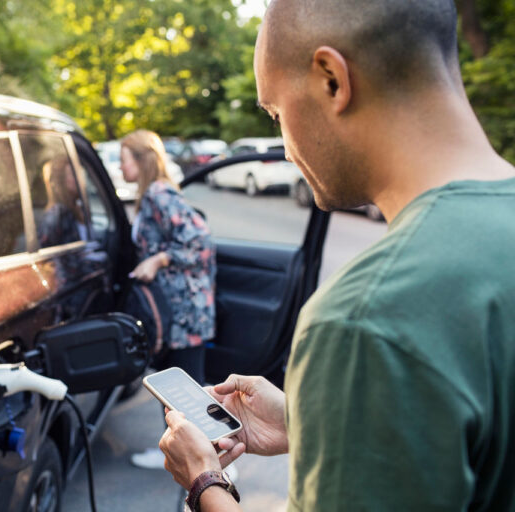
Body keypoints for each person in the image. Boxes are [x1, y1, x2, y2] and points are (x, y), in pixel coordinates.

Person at [159, 1, 515, 511]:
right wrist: (310, 422)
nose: (283, 148)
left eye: (276, 113)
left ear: (332, 79)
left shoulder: (365, 320)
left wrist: (204, 484)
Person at [120, 129, 217, 470]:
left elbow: (200, 242)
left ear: (141, 160)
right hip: (172, 310)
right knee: (173, 387)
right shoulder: (151, 195)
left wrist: (158, 260)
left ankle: (213, 459)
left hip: (185, 310)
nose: (120, 168)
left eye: (124, 160)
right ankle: (176, 453)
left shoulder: (160, 194)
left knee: (186, 387)